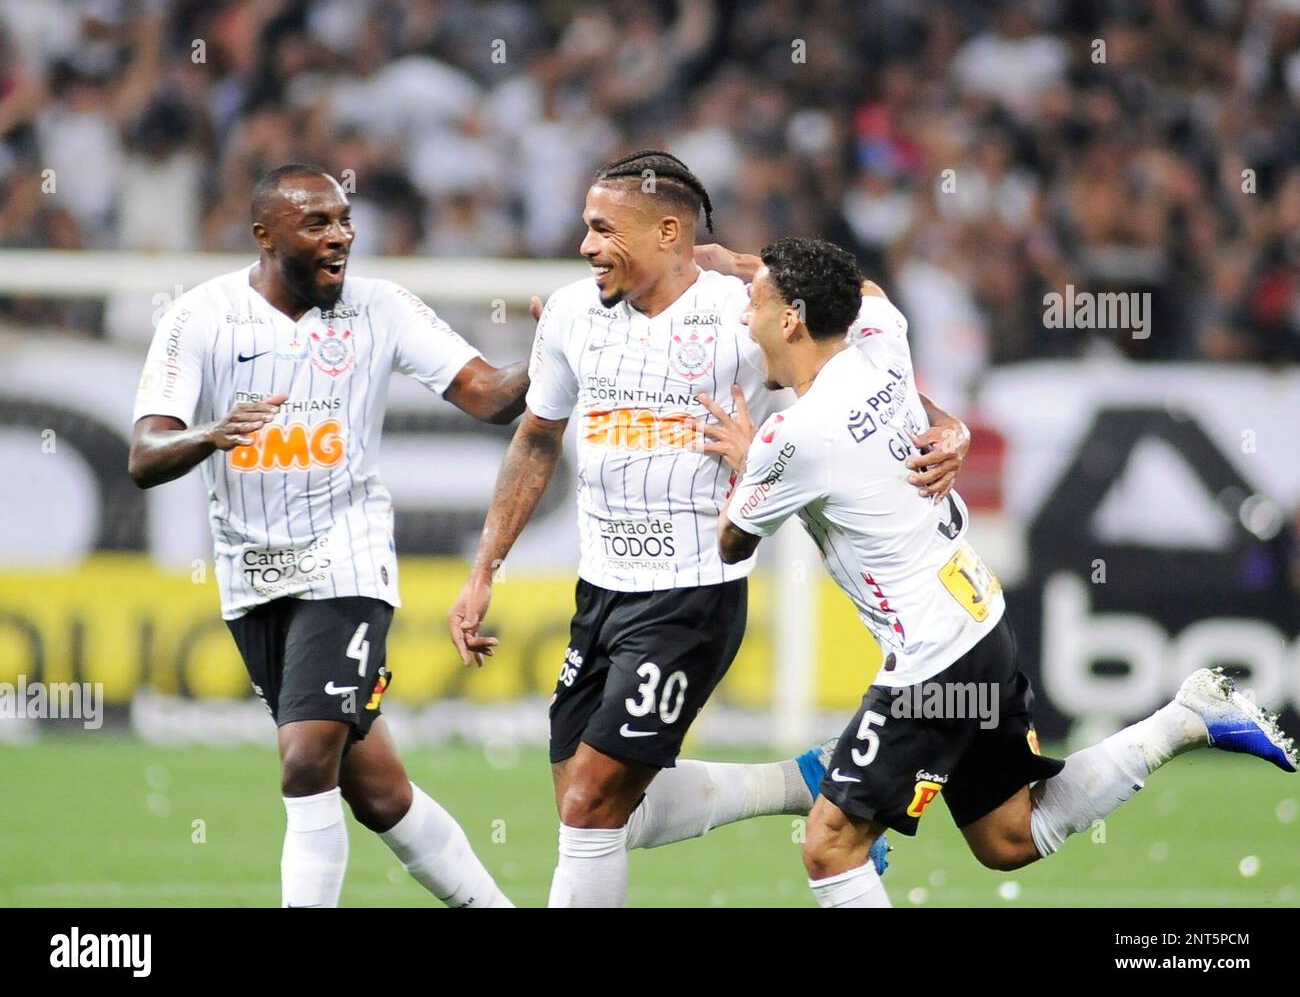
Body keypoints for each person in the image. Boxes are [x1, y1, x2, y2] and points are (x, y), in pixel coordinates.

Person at [702, 236, 1298, 909]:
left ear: (791, 319)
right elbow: (856, 288)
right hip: (980, 620)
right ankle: (1187, 719)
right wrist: (745, 267)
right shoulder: (881, 336)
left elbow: (732, 542)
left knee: (831, 845)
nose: (743, 321)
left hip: (931, 661)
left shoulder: (794, 436)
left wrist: (750, 460)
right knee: (1011, 835)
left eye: (753, 304)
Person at [448, 150, 969, 907]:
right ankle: (801, 781)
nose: (586, 245)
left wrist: (945, 421)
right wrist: (485, 567)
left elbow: (862, 315)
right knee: (593, 806)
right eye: (585, 227)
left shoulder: (740, 307)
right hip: (601, 590)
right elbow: (536, 436)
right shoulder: (568, 312)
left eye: (602, 228)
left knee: (590, 801)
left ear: (668, 232)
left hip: (694, 592)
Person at [128, 163, 527, 908]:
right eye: (318, 223)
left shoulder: (380, 308)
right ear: (265, 235)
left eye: (344, 220)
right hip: (253, 580)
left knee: (306, 757)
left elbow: (489, 395)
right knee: (378, 793)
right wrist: (214, 432)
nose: (340, 234)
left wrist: (566, 347)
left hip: (347, 565)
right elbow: (144, 454)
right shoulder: (200, 316)